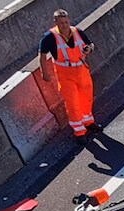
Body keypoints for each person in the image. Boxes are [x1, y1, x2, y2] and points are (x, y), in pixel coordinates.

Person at [38, 9, 101, 142]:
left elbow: (90, 44)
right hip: (65, 74)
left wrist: (89, 49)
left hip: (82, 71)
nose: (64, 25)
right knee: (72, 103)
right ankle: (79, 132)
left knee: (87, 97)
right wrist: (45, 72)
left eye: (66, 22)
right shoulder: (49, 37)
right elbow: (42, 55)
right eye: (61, 23)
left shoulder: (77, 32)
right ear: (55, 23)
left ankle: (88, 122)